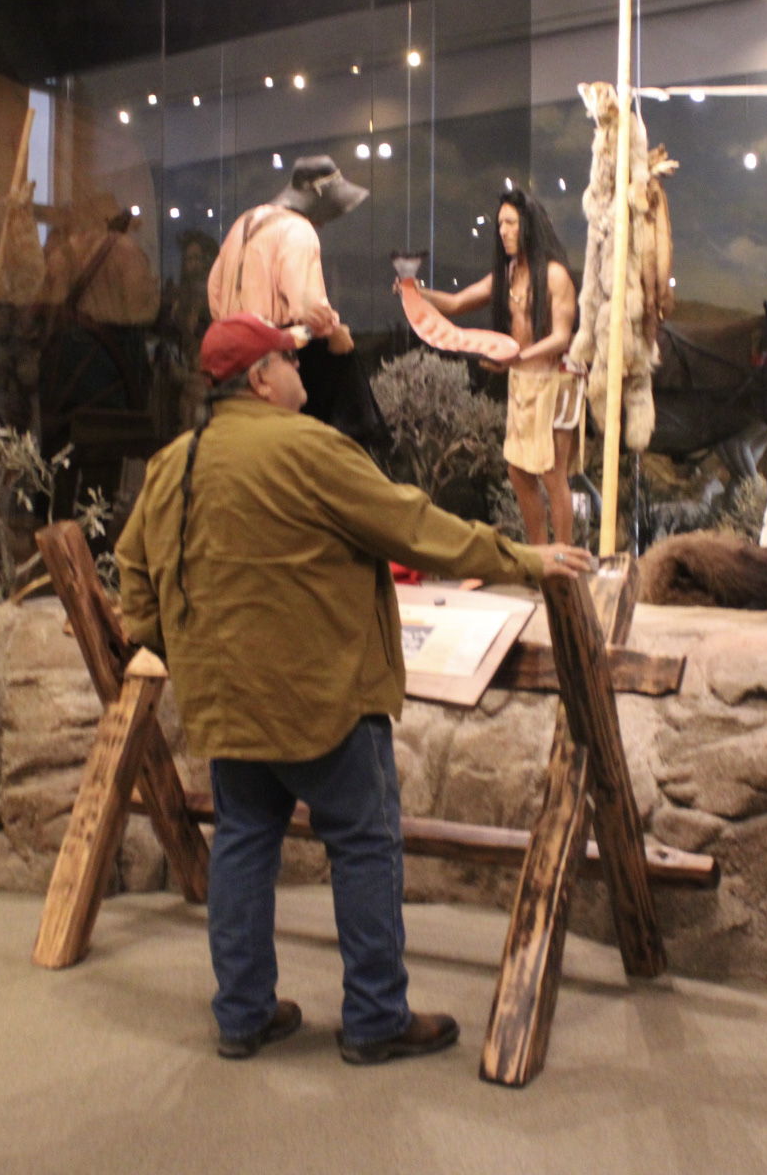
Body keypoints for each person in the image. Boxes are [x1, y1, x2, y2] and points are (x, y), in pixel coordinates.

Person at [115, 314, 593, 1064]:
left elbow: (133, 567)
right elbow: (412, 526)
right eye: (287, 356)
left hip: (227, 702)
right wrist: (527, 560)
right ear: (259, 378)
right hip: (322, 699)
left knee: (243, 844)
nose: (300, 367)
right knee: (365, 845)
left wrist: (171, 639)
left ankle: (242, 1014)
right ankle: (374, 1017)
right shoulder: (309, 449)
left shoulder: (175, 461)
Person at [415, 186, 583, 544]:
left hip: (554, 383)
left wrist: (516, 357)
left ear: (529, 226)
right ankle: (538, 555)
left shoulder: (555, 276)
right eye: (500, 224)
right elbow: (458, 302)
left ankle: (564, 557)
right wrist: (414, 291)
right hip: (522, 383)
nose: (504, 230)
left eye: (511, 222)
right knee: (520, 473)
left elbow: (562, 337)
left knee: (553, 474)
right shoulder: (507, 275)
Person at [209, 156, 386, 446]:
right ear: (319, 198)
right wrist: (335, 333)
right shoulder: (297, 230)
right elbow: (308, 310)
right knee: (348, 378)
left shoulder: (242, 223)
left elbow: (215, 292)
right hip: (278, 354)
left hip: (234, 358)